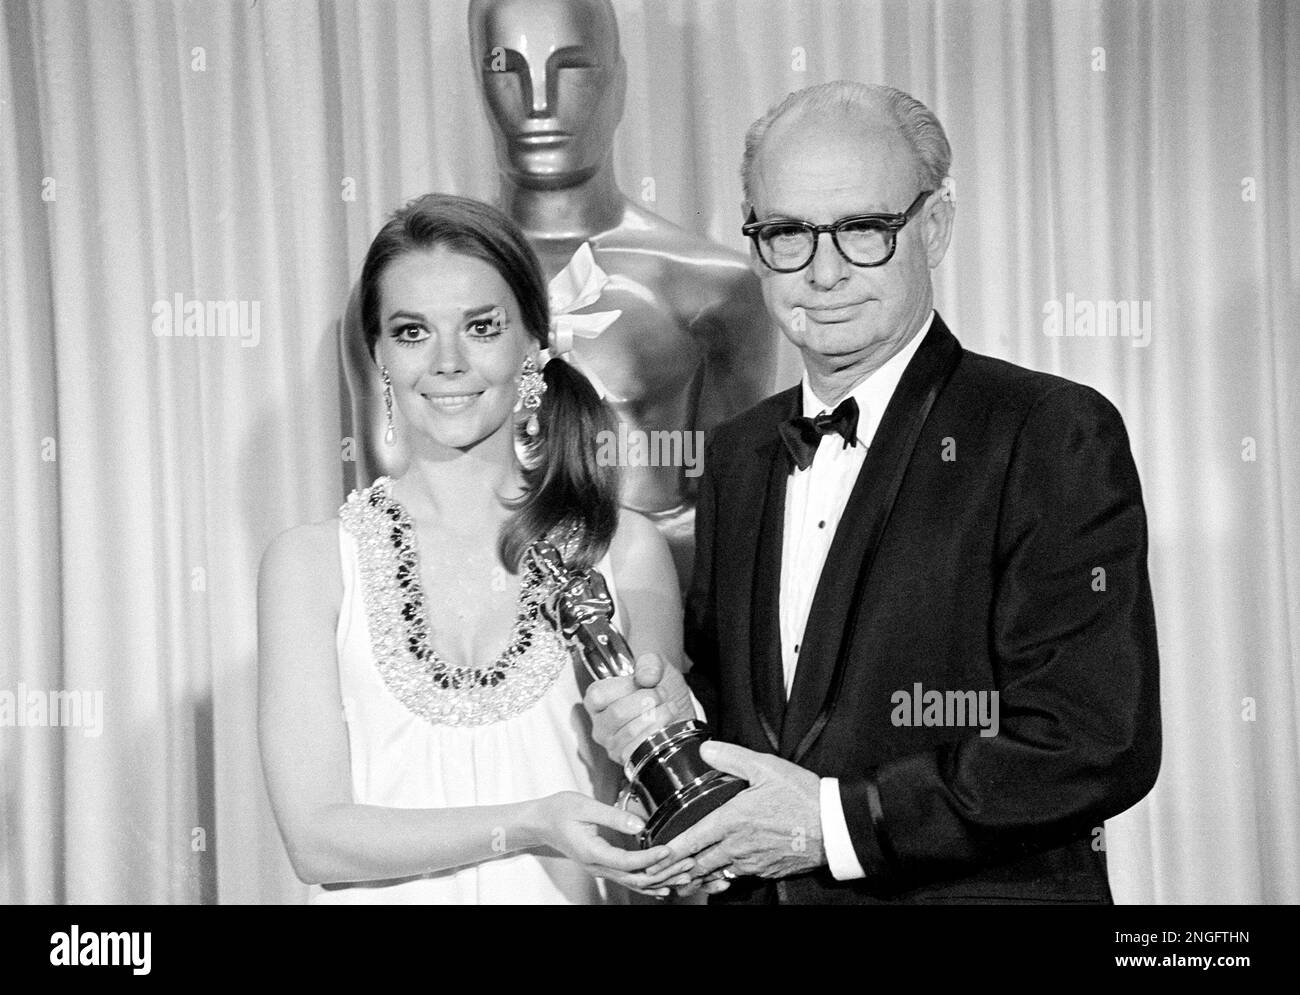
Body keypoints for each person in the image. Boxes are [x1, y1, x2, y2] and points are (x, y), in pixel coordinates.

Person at [585, 81, 1162, 904]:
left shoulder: (1048, 430)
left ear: (933, 228)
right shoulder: (740, 454)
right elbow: (746, 729)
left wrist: (834, 823)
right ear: (755, 246)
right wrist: (670, 738)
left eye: (862, 229)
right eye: (787, 233)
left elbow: (1092, 739)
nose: (823, 272)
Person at [258, 193, 695, 903]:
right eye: (411, 332)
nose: (448, 361)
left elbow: (654, 821)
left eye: (481, 326)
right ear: (378, 356)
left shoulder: (625, 551)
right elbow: (316, 839)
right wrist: (529, 821)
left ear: (533, 343)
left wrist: (656, 810)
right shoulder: (310, 566)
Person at [341, 0, 777, 590]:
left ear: (617, 85)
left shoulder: (715, 289)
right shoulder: (400, 295)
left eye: (570, 67)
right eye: (506, 67)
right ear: (477, 79)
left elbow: (736, 516)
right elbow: (389, 518)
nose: (538, 100)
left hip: (653, 636)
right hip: (465, 636)